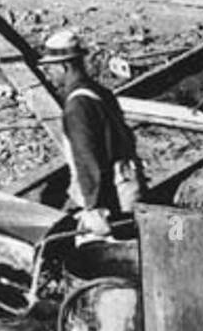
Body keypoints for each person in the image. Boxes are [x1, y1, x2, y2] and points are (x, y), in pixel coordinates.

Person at [38, 30, 145, 237]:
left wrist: (94, 208)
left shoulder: (77, 106)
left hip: (112, 196)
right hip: (127, 181)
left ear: (63, 66)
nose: (48, 74)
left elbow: (87, 158)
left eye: (50, 68)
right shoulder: (99, 92)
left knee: (111, 253)